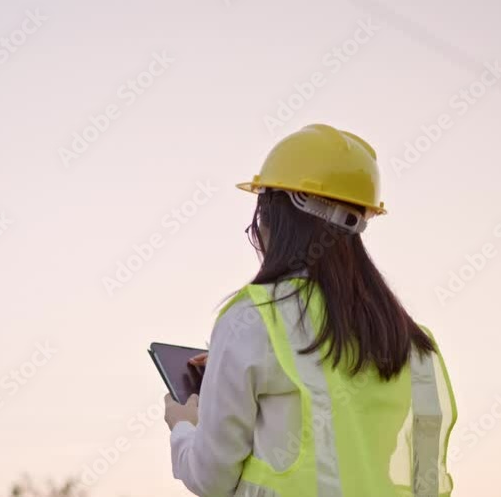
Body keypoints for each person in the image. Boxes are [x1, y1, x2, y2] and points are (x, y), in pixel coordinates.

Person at [163, 124, 456, 497]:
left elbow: (211, 478)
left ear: (274, 218)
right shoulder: (411, 341)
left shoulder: (254, 318)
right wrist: (229, 365)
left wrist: (185, 427)